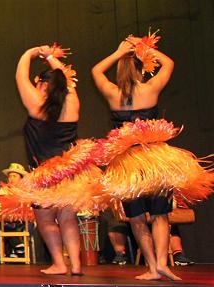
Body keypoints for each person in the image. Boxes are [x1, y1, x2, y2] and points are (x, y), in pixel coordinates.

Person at [92, 32, 184, 281]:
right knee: (160, 215)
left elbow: (96, 71)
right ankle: (163, 263)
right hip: (155, 160)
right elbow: (169, 64)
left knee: (136, 218)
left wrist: (119, 52)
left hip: (129, 165)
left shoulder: (113, 93)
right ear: (141, 69)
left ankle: (153, 266)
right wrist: (144, 48)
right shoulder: (151, 88)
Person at [15, 43, 87, 275]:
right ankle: (75, 265)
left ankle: (59, 263)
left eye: (38, 83)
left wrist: (31, 53)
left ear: (43, 85)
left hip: (44, 175)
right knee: (68, 219)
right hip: (69, 175)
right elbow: (67, 79)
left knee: (46, 221)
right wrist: (50, 58)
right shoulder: (72, 103)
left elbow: (20, 76)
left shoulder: (37, 106)